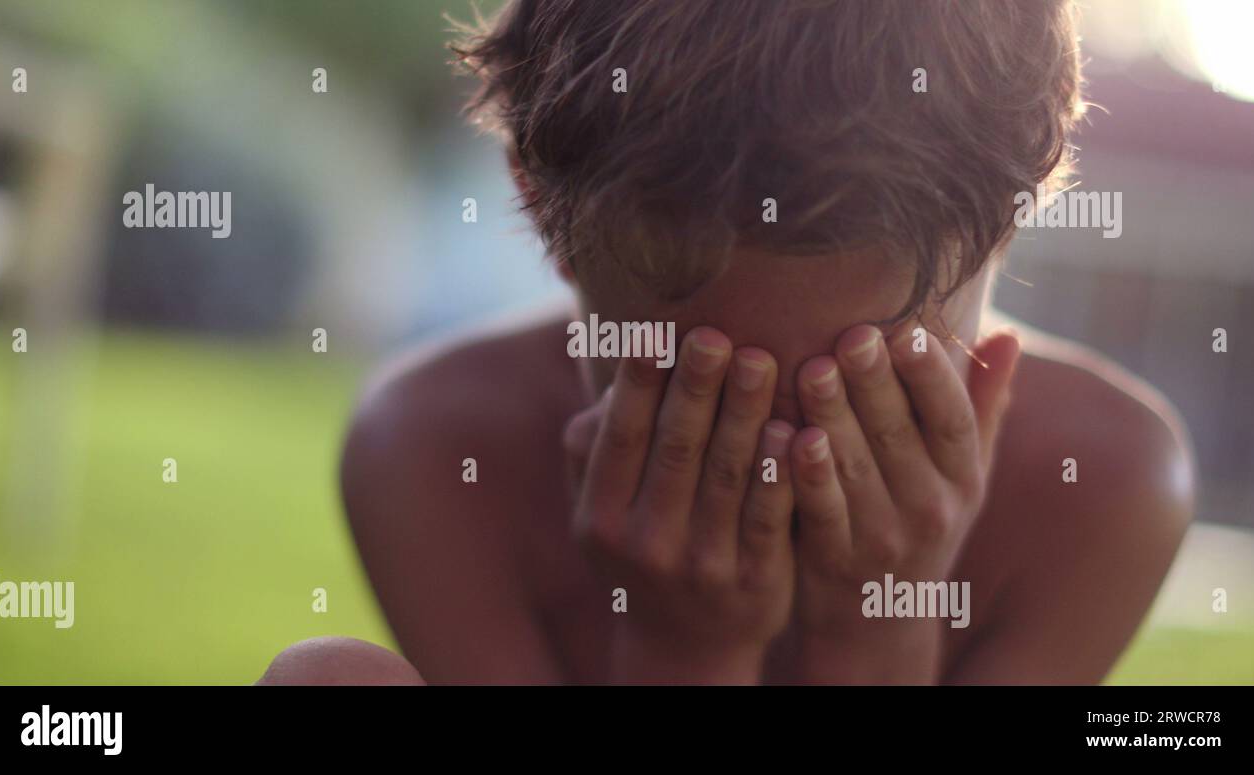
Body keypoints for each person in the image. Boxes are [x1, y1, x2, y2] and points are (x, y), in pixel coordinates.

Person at [258, 0, 1193, 685]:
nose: (780, 462)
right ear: (538, 203)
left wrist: (874, 632)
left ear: (1014, 215)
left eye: (853, 392)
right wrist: (684, 649)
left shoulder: (1104, 483)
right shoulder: (436, 452)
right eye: (699, 390)